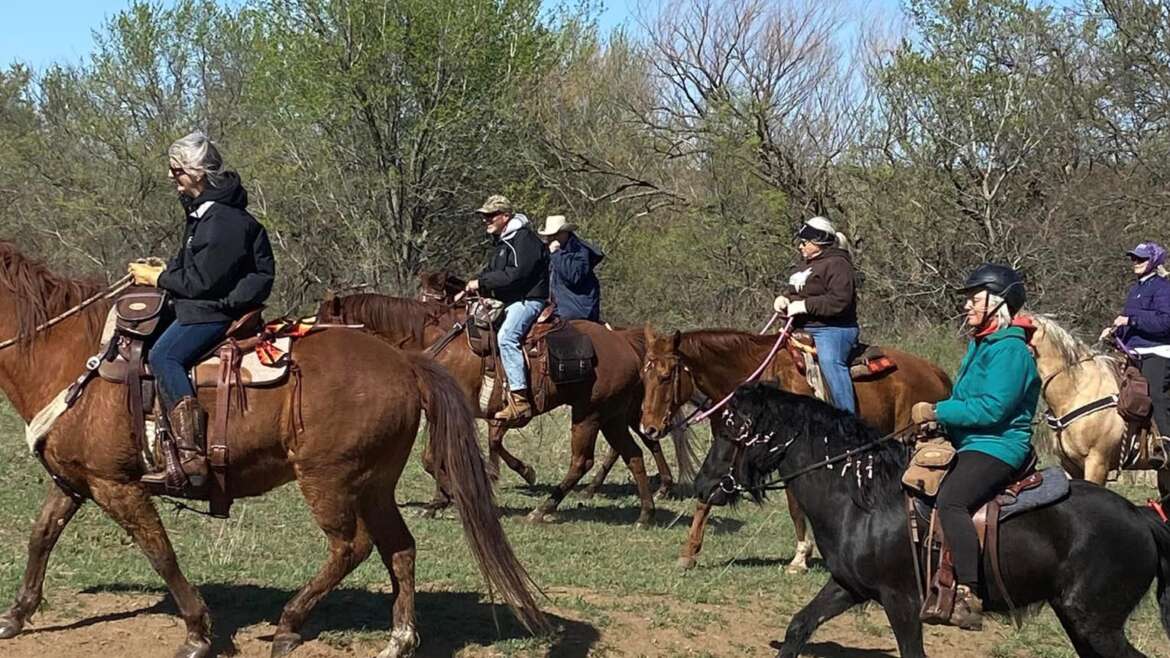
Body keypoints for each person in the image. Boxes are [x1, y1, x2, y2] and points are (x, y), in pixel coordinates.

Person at [128, 131, 275, 492]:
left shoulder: (221, 220)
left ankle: (192, 455)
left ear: (197, 173)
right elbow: (199, 271)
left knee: (165, 356)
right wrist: (166, 271)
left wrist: (158, 278)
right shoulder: (205, 215)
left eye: (175, 169)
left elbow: (202, 282)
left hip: (216, 309)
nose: (170, 176)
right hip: (204, 302)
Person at [910, 264, 1040, 631]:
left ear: (998, 303)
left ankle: (969, 591)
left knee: (952, 500)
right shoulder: (982, 344)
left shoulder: (1011, 350)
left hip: (998, 446)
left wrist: (939, 410)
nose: (967, 306)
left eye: (974, 299)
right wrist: (938, 422)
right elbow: (968, 398)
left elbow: (993, 407)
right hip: (968, 440)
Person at [463, 195, 549, 422]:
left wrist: (481, 283)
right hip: (510, 301)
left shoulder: (524, 240)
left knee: (506, 338)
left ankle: (519, 399)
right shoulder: (503, 242)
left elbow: (516, 275)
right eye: (484, 216)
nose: (486, 220)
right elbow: (491, 272)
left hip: (528, 300)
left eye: (490, 216)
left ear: (505, 216)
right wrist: (471, 286)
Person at [772, 216, 860, 414]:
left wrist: (805, 306)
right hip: (801, 328)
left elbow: (840, 300)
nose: (800, 246)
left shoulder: (838, 264)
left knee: (830, 362)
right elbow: (799, 292)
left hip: (833, 329)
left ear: (818, 242)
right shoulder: (804, 265)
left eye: (804, 242)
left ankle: (847, 419)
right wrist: (785, 299)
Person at [1101, 242, 1170, 465]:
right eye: (1134, 259)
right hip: (1133, 351)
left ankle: (1165, 446)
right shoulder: (1136, 289)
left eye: (1141, 259)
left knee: (1156, 396)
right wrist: (1114, 330)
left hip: (1157, 352)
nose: (1136, 263)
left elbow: (1165, 322)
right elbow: (1130, 321)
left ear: (1154, 261)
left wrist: (1132, 320)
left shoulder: (1163, 288)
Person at [539, 214, 604, 322]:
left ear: (566, 233)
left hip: (577, 311)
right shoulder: (550, 252)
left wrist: (556, 253)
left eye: (555, 234)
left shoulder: (580, 251)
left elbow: (573, 276)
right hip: (558, 309)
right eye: (549, 235)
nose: (551, 238)